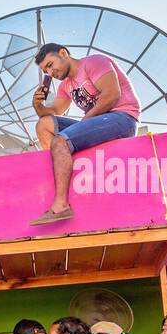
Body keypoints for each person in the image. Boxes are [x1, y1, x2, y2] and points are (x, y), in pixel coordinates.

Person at [30, 42, 141, 226]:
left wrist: (82, 124)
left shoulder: (94, 62)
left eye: (50, 65)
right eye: (46, 71)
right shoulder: (65, 85)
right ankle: (64, 174)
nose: (51, 73)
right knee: (44, 125)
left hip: (122, 118)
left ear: (63, 53)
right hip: (97, 122)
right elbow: (54, 111)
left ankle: (61, 207)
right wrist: (38, 105)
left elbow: (112, 95)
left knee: (60, 141)